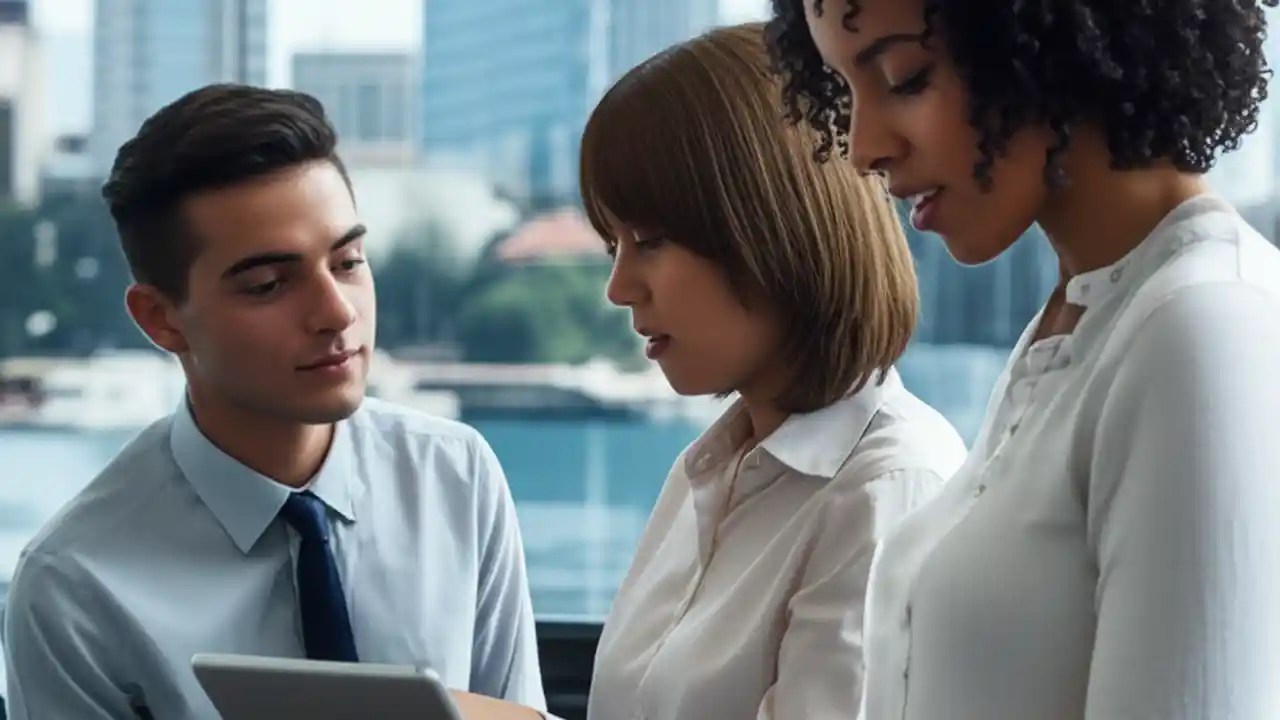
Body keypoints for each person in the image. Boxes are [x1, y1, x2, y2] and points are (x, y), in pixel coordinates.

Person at [766, 1, 1280, 718]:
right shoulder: (1078, 321)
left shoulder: (1201, 328)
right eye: (844, 92)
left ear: (1047, 41)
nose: (861, 148)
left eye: (904, 78)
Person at [1, 85, 546, 719]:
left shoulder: (454, 474)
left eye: (348, 261)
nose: (337, 312)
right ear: (161, 319)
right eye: (268, 284)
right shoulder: (75, 585)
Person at [580, 23, 965, 719]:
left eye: (651, 241)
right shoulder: (710, 468)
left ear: (768, 225)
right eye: (615, 245)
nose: (620, 287)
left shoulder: (885, 490)